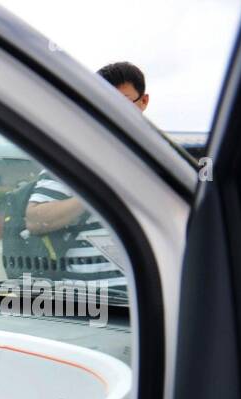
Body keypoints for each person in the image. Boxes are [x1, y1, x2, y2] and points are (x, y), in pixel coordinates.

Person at [22, 63, 145, 290]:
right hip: (88, 305)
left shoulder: (158, 160)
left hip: (146, 303)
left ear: (144, 102)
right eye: (106, 104)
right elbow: (35, 220)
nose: (115, 112)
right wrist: (97, 193)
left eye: (124, 103)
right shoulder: (76, 156)